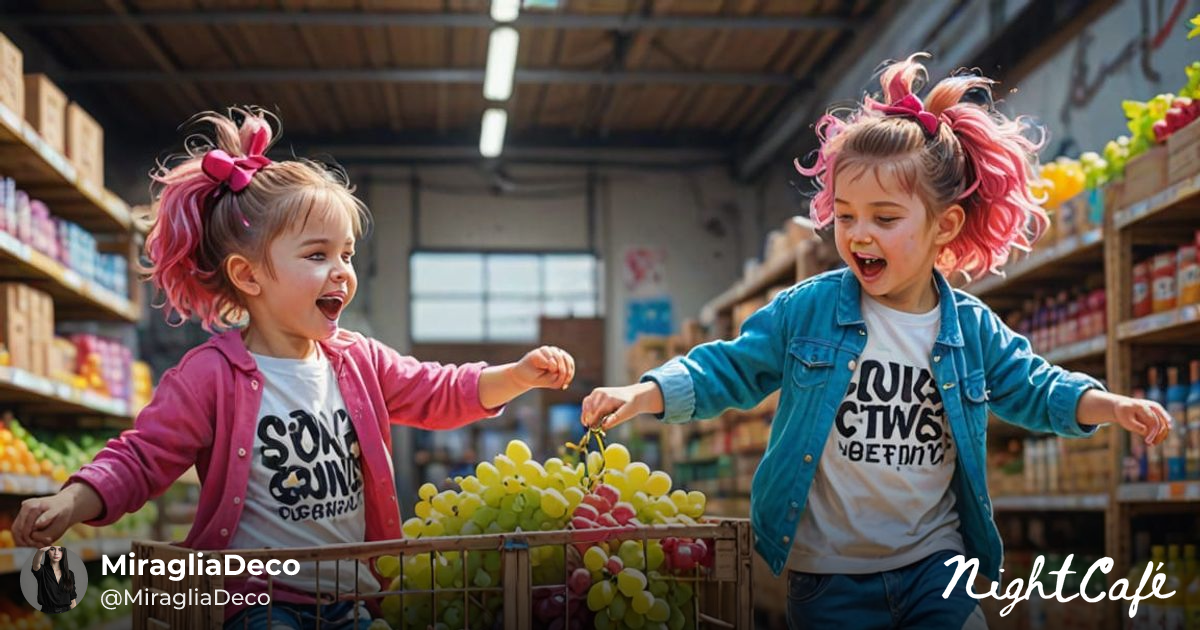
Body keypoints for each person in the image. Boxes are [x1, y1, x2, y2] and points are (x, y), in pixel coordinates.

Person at [580, 55, 1172, 629]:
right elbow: (728, 368)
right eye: (845, 216)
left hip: (938, 562)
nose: (859, 234)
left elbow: (1035, 387)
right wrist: (645, 391)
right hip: (828, 576)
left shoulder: (968, 327)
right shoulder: (807, 310)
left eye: (885, 219)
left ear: (945, 225)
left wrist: (1109, 405)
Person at [10, 107, 576, 630]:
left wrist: (519, 374)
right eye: (316, 255)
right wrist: (71, 500)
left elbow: (439, 389)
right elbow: (141, 457)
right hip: (254, 602)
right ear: (249, 276)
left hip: (351, 594)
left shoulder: (359, 361)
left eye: (347, 254)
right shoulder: (209, 376)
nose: (341, 271)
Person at [29, 545, 76, 614]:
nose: (56, 553)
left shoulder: (70, 574)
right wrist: (40, 551)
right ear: (47, 552)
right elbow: (35, 565)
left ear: (63, 553)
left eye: (60, 550)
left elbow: (72, 598)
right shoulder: (42, 571)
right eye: (52, 549)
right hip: (47, 612)